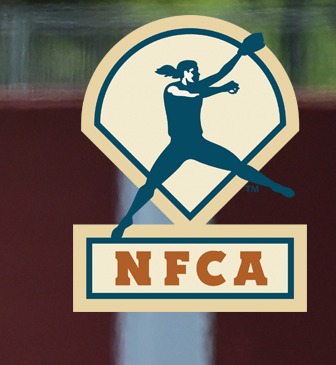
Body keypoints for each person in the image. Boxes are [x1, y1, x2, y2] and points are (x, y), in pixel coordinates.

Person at [112, 33, 293, 239]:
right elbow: (199, 91)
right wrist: (222, 88)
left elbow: (218, 75)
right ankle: (127, 222)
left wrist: (240, 54)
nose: (198, 73)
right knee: (151, 185)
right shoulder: (171, 90)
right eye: (194, 71)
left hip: (197, 143)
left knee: (235, 165)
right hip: (178, 145)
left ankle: (274, 186)